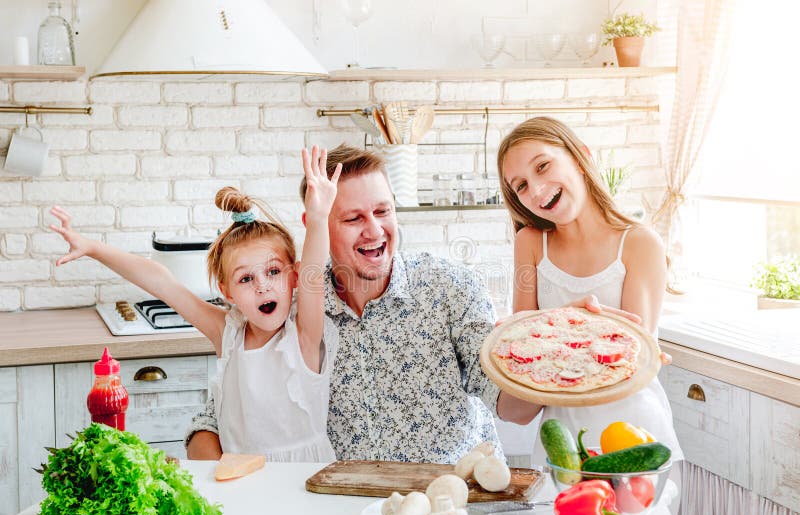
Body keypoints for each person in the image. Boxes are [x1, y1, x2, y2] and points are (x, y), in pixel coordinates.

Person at [186, 144, 544, 463]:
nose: (374, 230)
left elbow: (515, 408)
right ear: (317, 223)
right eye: (354, 218)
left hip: (452, 504)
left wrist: (539, 362)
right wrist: (220, 476)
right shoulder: (289, 308)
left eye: (383, 211)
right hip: (345, 511)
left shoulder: (449, 287)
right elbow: (220, 415)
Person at [49, 146, 342, 462]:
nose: (262, 286)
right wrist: (93, 248)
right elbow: (161, 282)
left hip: (303, 482)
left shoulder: (304, 336)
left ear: (294, 276)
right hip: (240, 483)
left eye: (273, 271)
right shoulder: (227, 333)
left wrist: (318, 218)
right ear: (226, 292)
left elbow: (315, 270)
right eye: (246, 279)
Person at [496, 116, 683, 465]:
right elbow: (520, 379)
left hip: (634, 436)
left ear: (580, 157)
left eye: (543, 166)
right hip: (560, 442)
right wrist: (558, 328)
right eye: (520, 185)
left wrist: (553, 330)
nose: (536, 190)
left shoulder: (640, 243)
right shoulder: (530, 244)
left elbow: (631, 365)